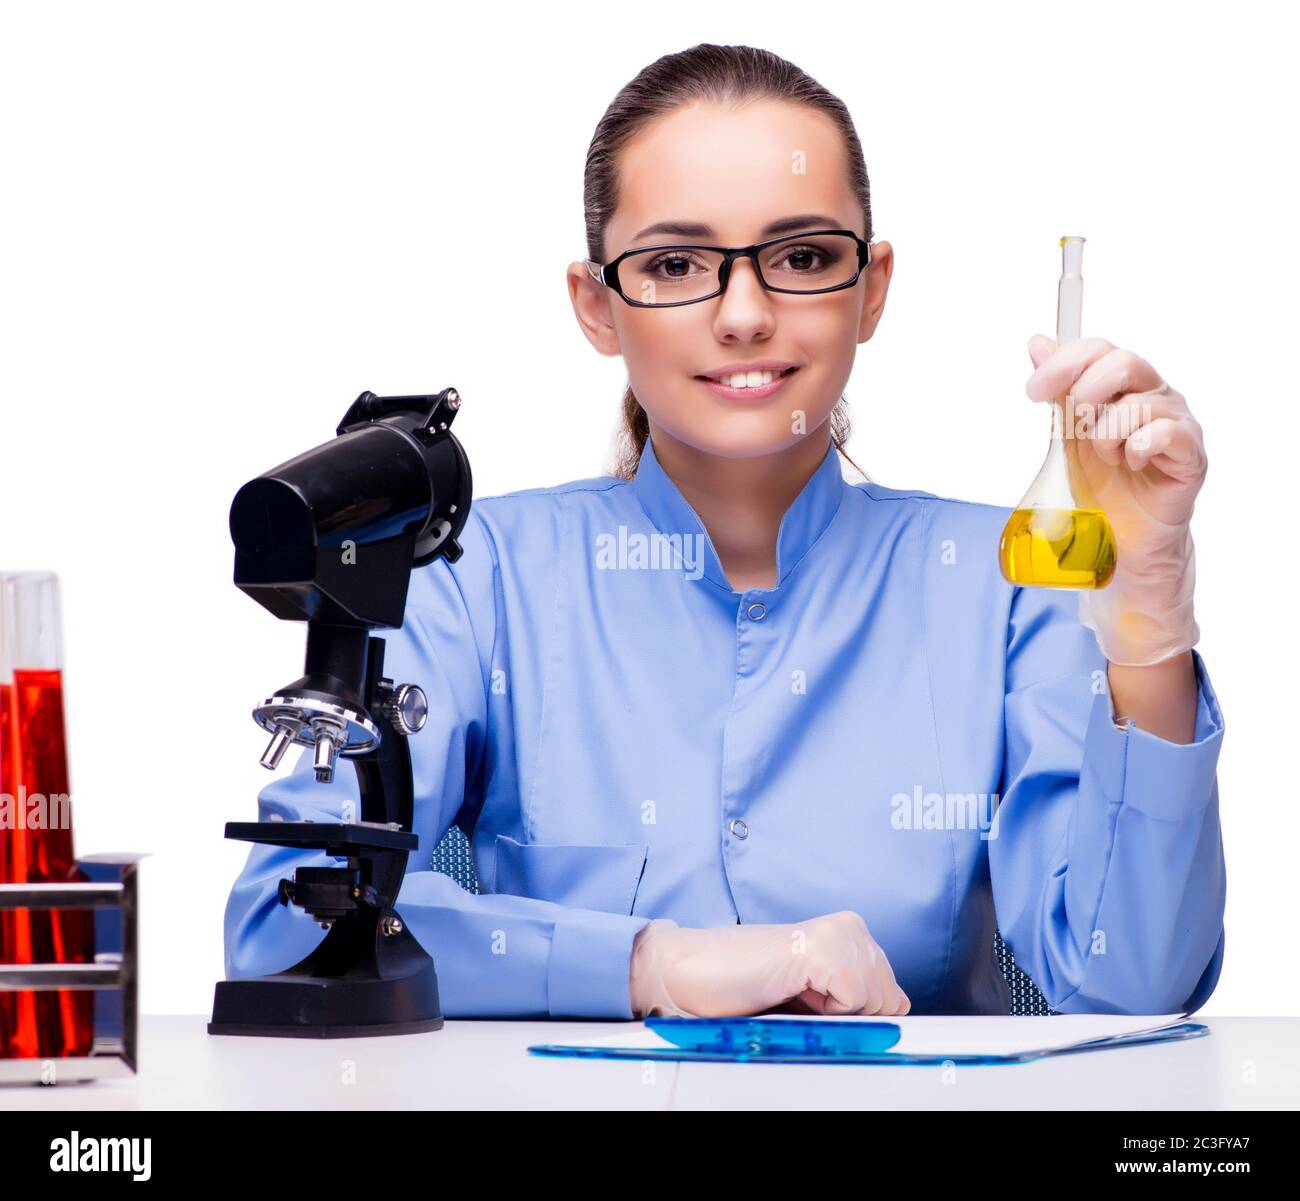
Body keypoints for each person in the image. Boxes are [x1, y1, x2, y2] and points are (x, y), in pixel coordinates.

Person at [222, 43, 1225, 1020]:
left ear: (871, 288)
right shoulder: (473, 574)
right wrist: (653, 962)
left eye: (800, 256)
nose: (743, 313)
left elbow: (1130, 984)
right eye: (674, 263)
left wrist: (1146, 619)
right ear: (596, 305)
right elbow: (291, 922)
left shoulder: (1010, 580)